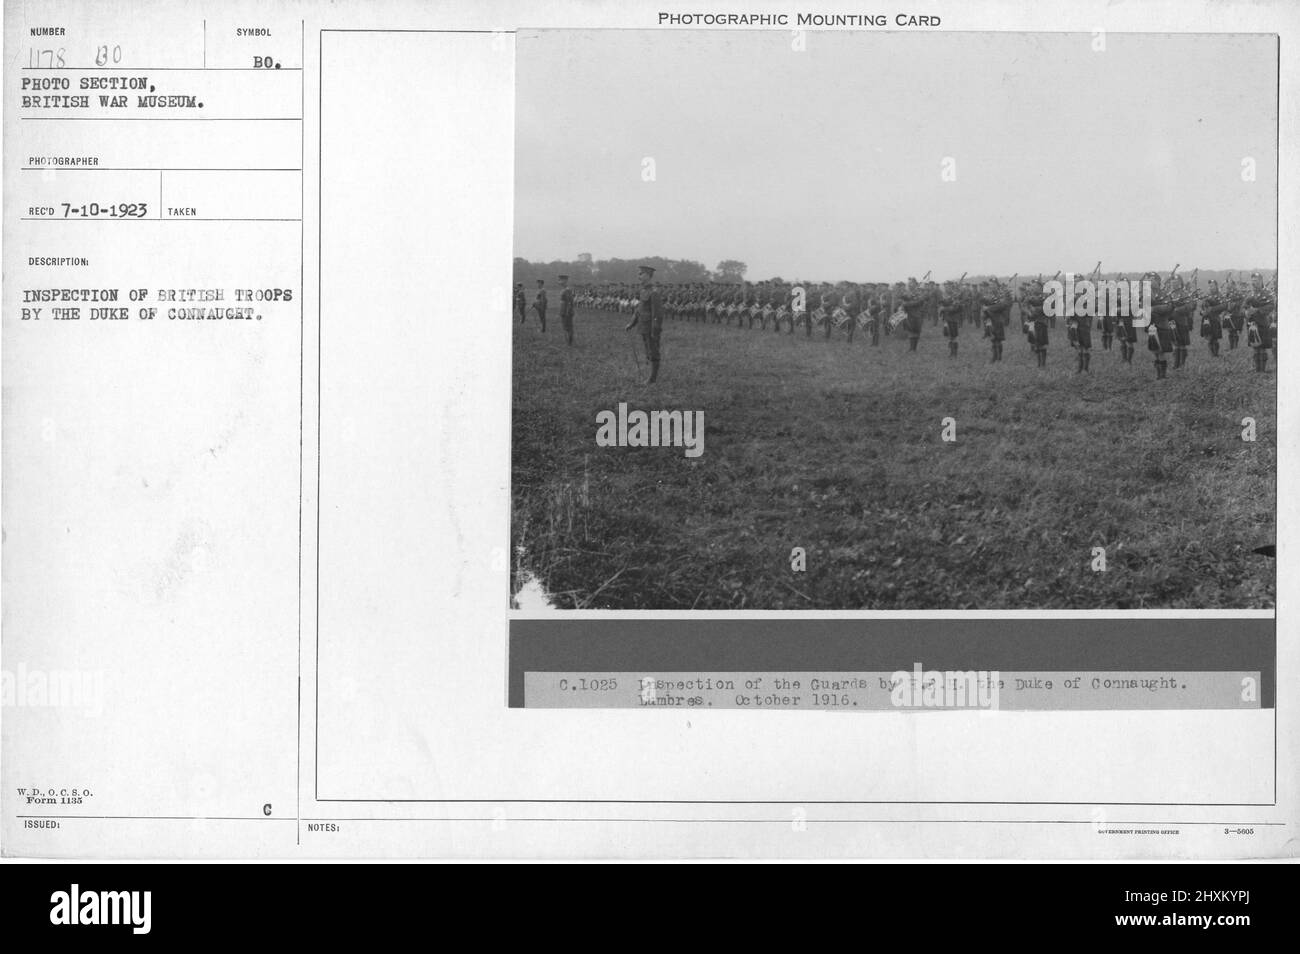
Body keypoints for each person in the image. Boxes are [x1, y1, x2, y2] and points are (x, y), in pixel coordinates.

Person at [626, 264, 663, 384]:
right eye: (639, 274)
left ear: (648, 275)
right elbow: (639, 310)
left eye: (641, 274)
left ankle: (652, 379)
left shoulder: (654, 293)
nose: (639, 276)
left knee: (653, 351)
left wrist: (655, 331)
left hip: (650, 327)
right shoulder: (643, 291)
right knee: (648, 350)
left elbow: (657, 315)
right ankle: (651, 373)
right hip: (643, 325)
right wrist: (631, 323)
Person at [558, 275, 575, 346]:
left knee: (568, 327)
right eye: (559, 280)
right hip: (563, 309)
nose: (559, 282)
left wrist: (568, 311)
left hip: (566, 310)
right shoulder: (563, 289)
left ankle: (569, 342)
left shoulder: (567, 290)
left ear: (565, 281)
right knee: (565, 326)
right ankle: (568, 341)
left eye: (561, 280)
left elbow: (570, 302)